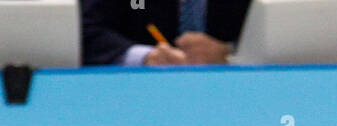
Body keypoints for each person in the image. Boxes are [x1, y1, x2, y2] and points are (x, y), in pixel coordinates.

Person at [82, 0, 251, 67]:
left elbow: (273, 32)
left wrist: (229, 52)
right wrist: (146, 57)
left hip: (231, 89)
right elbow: (85, 31)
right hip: (136, 90)